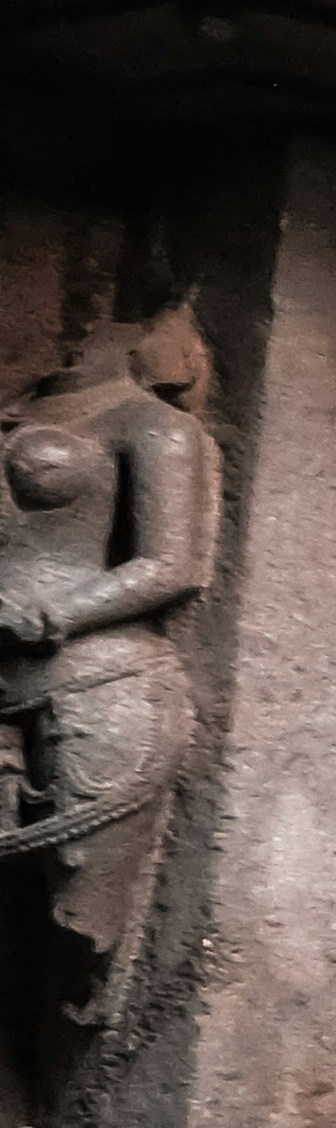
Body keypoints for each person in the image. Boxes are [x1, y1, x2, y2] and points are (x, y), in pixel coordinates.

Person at [0, 295, 220, 1025]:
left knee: (80, 917)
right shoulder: (21, 411)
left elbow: (171, 564)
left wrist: (54, 615)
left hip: (94, 681)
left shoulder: (152, 425)